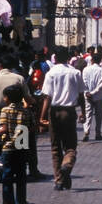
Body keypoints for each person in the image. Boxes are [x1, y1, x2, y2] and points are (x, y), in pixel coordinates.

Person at [40, 47, 83, 191]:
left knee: (55, 147)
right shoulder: (75, 73)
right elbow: (81, 94)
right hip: (70, 112)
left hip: (54, 112)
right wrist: (82, 112)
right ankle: (67, 165)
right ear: (68, 58)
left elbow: (47, 97)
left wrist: (42, 116)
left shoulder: (51, 73)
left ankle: (58, 179)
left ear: (55, 58)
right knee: (71, 146)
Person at [82, 52, 102, 142]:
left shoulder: (85, 70)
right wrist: (93, 92)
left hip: (87, 95)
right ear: (100, 60)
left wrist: (87, 92)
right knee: (98, 115)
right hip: (98, 96)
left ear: (92, 60)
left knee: (88, 114)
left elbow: (84, 82)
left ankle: (86, 132)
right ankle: (98, 133)